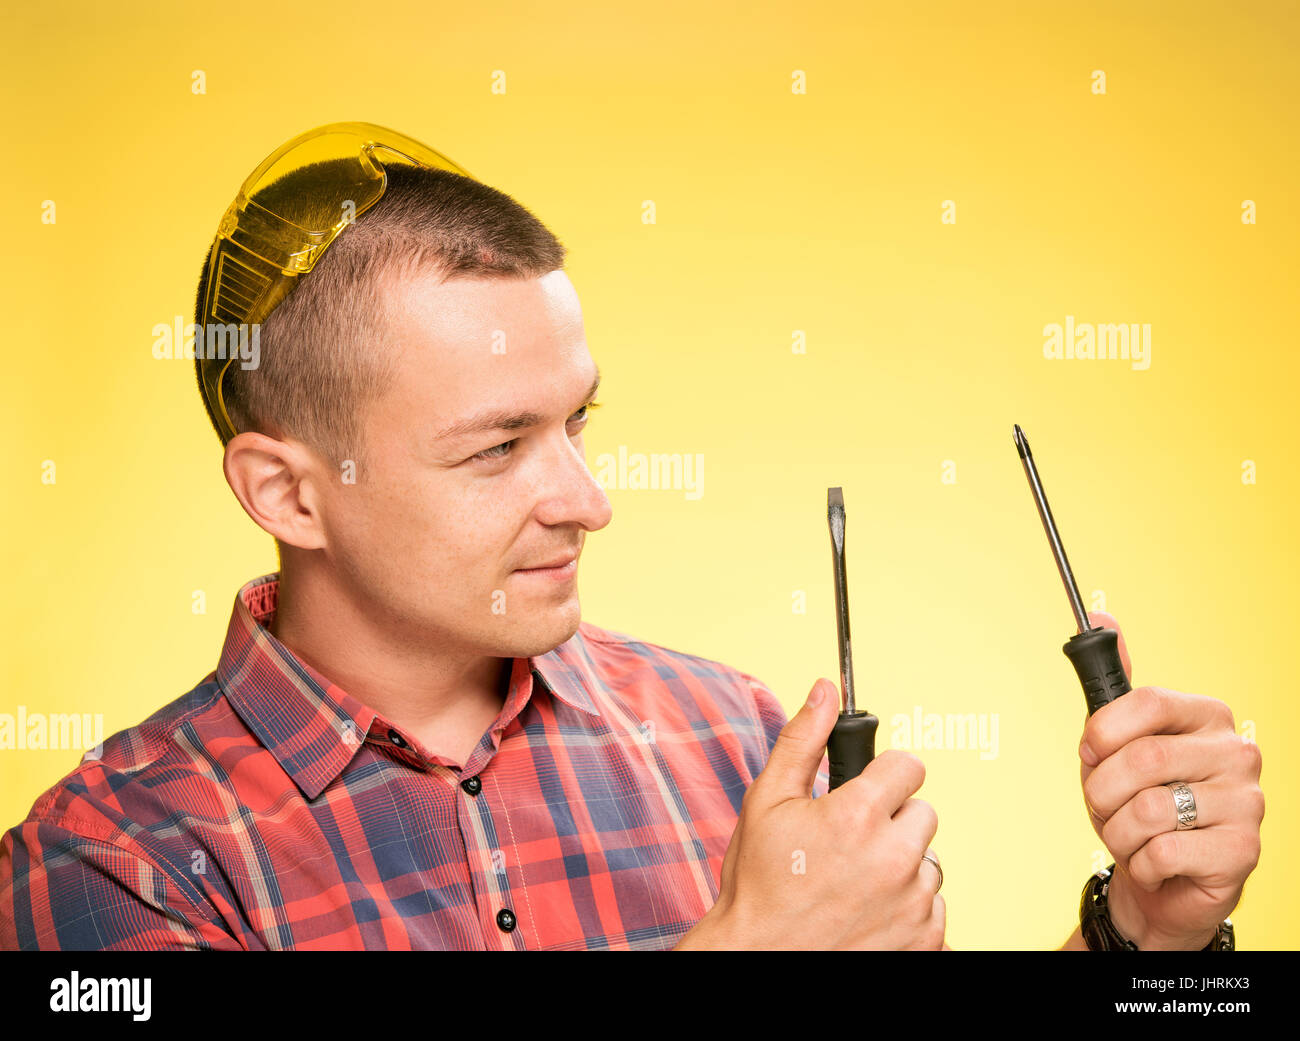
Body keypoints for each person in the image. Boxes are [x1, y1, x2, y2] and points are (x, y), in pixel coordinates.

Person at [0, 126, 1262, 951]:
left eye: (578, 424)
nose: (589, 500)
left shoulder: (730, 743)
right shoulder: (110, 873)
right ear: (286, 495)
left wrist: (1152, 940)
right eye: (496, 448)